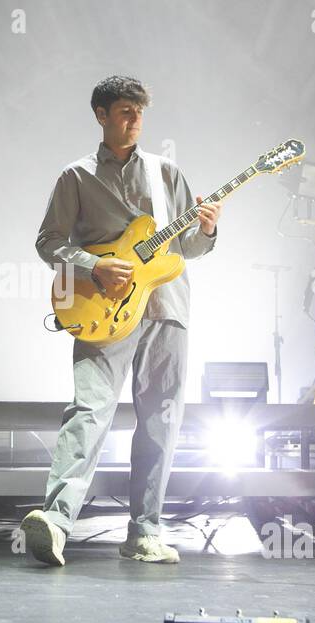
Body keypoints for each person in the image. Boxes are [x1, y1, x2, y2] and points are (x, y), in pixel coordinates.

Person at [21, 76, 221, 567]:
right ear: (101, 115)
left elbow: (186, 248)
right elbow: (49, 243)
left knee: (161, 421)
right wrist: (94, 265)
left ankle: (146, 531)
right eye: (125, 112)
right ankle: (56, 522)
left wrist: (209, 229)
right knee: (90, 411)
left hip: (166, 308)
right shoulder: (76, 176)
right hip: (102, 311)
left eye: (139, 113)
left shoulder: (166, 172)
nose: (134, 121)